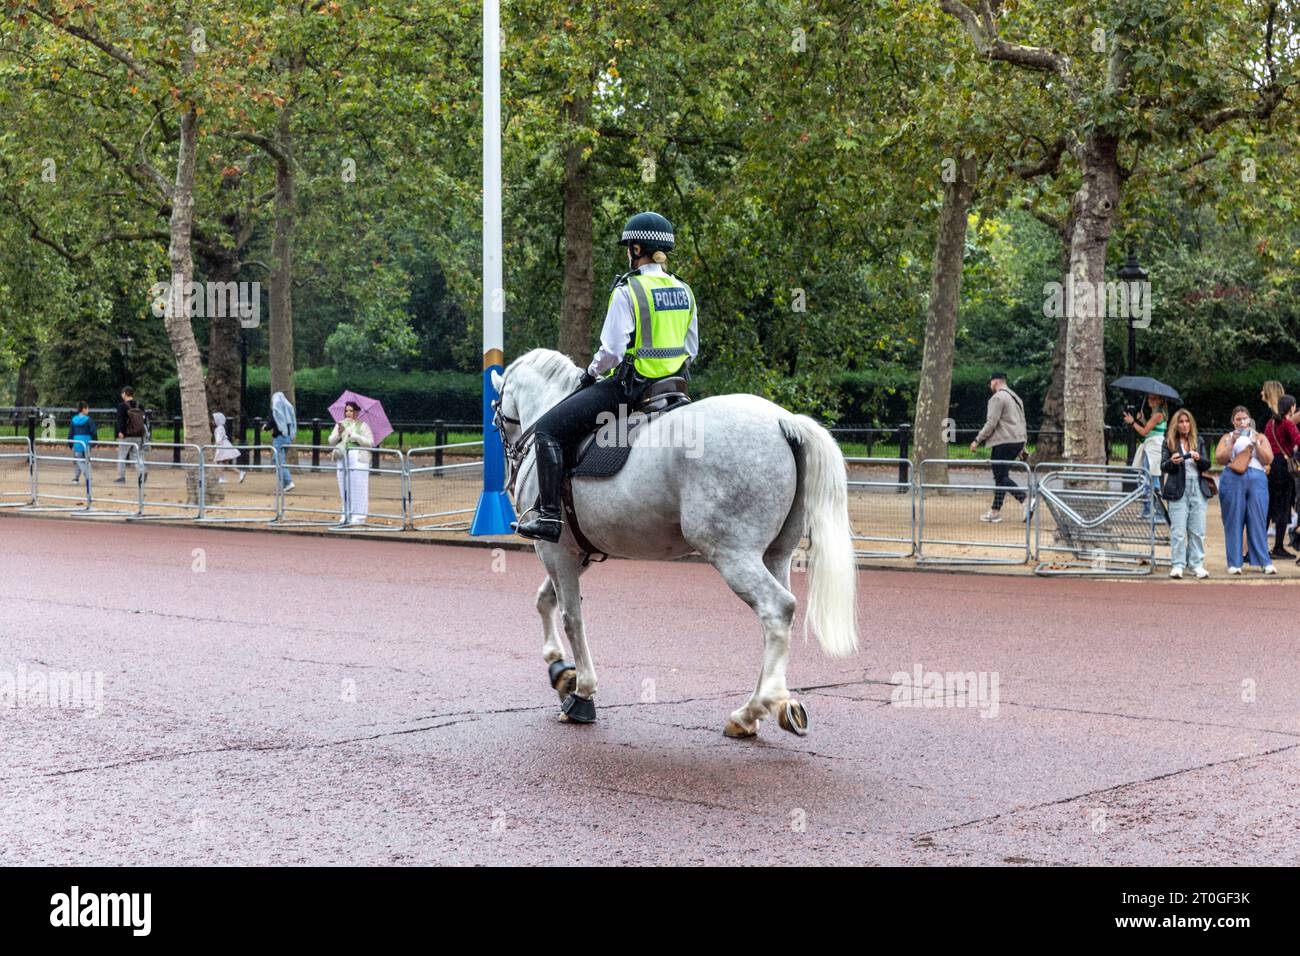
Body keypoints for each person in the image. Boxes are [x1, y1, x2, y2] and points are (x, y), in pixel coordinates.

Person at [513, 211, 698, 542]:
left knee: (547, 430)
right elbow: (691, 347)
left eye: (629, 247)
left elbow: (611, 352)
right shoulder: (684, 290)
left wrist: (590, 373)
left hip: (632, 389)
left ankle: (549, 518)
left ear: (637, 249)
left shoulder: (629, 290)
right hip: (675, 388)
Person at [1215, 406, 1274, 574]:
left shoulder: (1259, 436)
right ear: (1233, 421)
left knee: (1258, 518)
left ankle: (1264, 561)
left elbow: (1268, 459)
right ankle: (1234, 562)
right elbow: (1219, 458)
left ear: (1250, 420)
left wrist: (1256, 443)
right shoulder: (1227, 437)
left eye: (1244, 419)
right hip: (1233, 477)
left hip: (1257, 478)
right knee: (1233, 519)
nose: (1241, 422)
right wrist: (1232, 442)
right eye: (1238, 419)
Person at [970, 371, 1028, 523]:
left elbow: (991, 423)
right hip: (1017, 441)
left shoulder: (997, 398)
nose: (990, 386)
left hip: (1003, 442)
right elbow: (1022, 423)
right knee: (1001, 477)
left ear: (995, 382)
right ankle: (994, 511)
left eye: (990, 383)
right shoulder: (1016, 398)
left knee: (1000, 476)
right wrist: (1023, 445)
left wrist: (977, 440)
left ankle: (1025, 500)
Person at [1160, 408, 1212, 579]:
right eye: (1181, 422)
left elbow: (1207, 464)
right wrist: (1172, 462)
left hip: (1197, 487)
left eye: (1187, 421)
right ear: (1176, 424)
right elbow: (1163, 465)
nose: (1184, 425)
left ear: (1191, 424)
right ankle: (1178, 564)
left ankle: (1196, 563)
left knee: (1197, 529)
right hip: (1177, 488)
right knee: (1178, 530)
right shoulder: (1169, 442)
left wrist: (1198, 458)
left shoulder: (1199, 441)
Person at [1262, 392, 1299, 559]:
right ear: (1291, 407)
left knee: (1269, 506)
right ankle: (1278, 546)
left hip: (1270, 465)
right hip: (1284, 466)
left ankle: (1260, 545)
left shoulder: (1270, 423)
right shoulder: (1287, 424)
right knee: (1283, 507)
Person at [329, 400, 374, 525]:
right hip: (343, 457)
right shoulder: (340, 424)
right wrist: (339, 433)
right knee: (343, 486)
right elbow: (331, 441)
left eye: (351, 411)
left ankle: (358, 516)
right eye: (346, 410)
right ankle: (346, 513)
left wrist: (355, 436)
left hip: (358, 458)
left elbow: (370, 443)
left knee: (358, 487)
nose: (348, 413)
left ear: (356, 412)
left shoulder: (363, 425)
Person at [1123, 393, 1168, 513]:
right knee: (1146, 478)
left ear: (1160, 400)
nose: (1150, 400)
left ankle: (1158, 512)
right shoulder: (1155, 414)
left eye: (1154, 398)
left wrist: (1132, 422)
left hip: (1154, 449)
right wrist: (1143, 419)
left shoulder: (1158, 415)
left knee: (1151, 479)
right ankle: (1149, 509)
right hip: (1151, 448)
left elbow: (1144, 432)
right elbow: (1150, 431)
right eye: (1149, 397)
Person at [113, 386, 147, 483]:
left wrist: (120, 432)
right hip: (138, 434)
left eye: (122, 393)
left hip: (126, 435)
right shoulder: (140, 405)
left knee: (122, 456)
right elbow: (144, 420)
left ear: (125, 394)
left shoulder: (122, 406)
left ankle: (121, 477)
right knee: (137, 456)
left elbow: (121, 421)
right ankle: (142, 472)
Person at [269, 391, 297, 493]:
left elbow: (271, 423)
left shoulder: (275, 410)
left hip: (279, 438)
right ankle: (283, 484)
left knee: (279, 460)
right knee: (279, 459)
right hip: (288, 437)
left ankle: (288, 482)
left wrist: (266, 427)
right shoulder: (288, 409)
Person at [210, 412, 245, 483]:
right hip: (224, 445)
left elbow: (219, 439)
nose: (212, 421)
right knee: (225, 463)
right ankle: (240, 472)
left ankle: (222, 478)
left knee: (217, 462)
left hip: (222, 446)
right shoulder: (221, 427)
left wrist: (215, 445)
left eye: (214, 420)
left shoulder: (219, 428)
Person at [68, 401, 97, 484]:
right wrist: (94, 441)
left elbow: (71, 432)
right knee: (86, 461)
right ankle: (87, 477)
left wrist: (70, 443)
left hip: (77, 442)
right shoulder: (88, 419)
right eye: (88, 409)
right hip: (87, 442)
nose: (88, 410)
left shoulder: (73, 419)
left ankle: (77, 478)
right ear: (84, 409)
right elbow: (93, 431)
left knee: (78, 461)